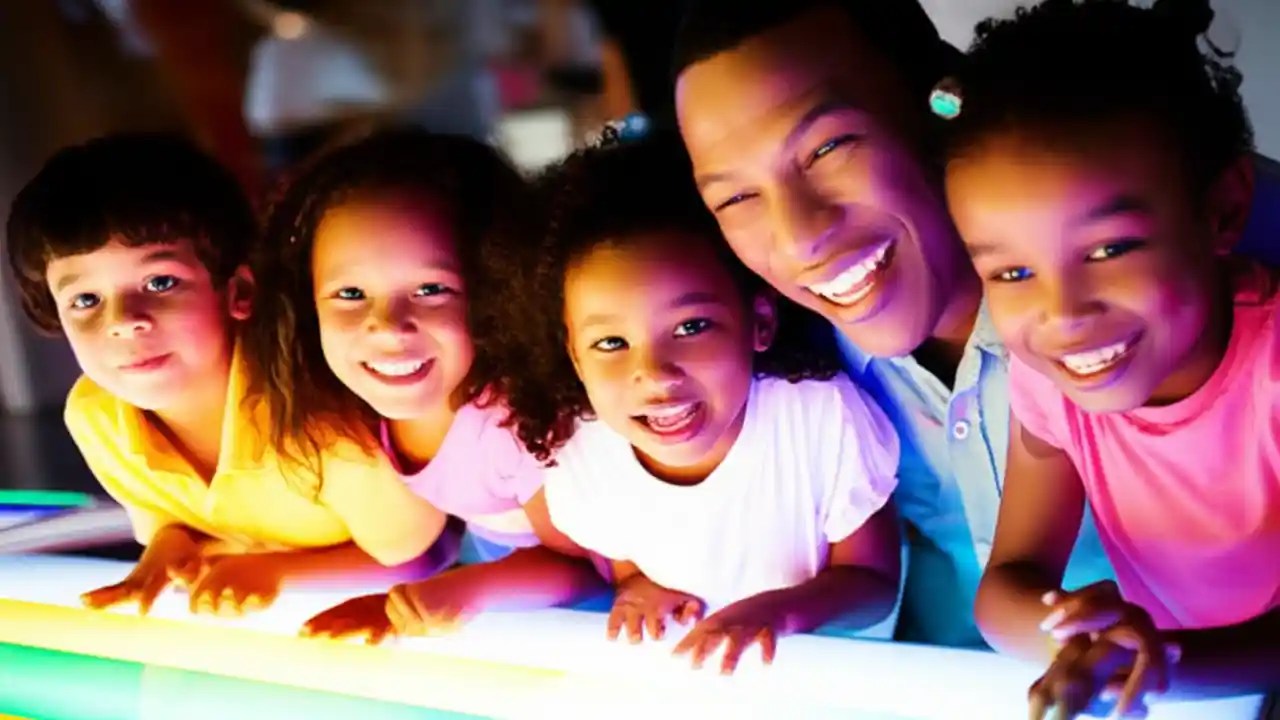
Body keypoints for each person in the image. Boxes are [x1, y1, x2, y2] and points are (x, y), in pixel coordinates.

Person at [671, 0, 1116, 647]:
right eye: (736, 197)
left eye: (827, 146)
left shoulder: (1160, 255)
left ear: (942, 103)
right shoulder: (784, 362)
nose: (801, 241)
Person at [940, 0, 1277, 716]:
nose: (1063, 316)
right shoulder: (1049, 380)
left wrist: (1158, 665)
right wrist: (1072, 638)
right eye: (1012, 272)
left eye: (1108, 250)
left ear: (1221, 210)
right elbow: (1006, 586)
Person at [501, 131, 902, 674]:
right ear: (573, 355)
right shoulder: (581, 455)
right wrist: (637, 587)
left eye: (691, 326)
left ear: (759, 322)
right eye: (610, 344)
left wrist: (777, 614)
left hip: (841, 679)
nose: (653, 374)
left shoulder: (820, 417)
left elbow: (874, 584)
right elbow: (628, 562)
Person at [4, 133, 450, 616]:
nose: (123, 321)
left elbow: (418, 555)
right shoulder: (96, 415)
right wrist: (162, 557)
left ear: (237, 291)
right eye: (85, 300)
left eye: (160, 282)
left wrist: (274, 572)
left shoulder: (315, 418)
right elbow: (170, 520)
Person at [242, 128, 603, 642]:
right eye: (349, 293)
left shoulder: (511, 423)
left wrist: (455, 593)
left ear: (493, 288)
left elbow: (583, 566)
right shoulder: (357, 406)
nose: (388, 326)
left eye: (431, 289)